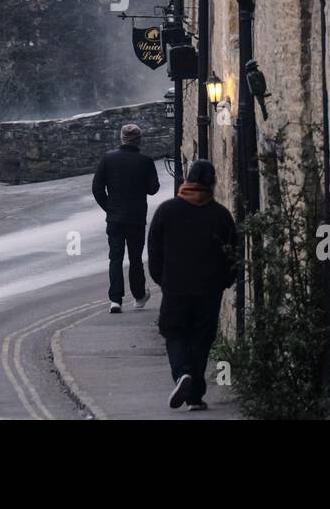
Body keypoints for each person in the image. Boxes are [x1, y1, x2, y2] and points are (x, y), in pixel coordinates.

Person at [147, 159, 236, 412]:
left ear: (187, 179)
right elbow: (232, 253)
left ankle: (182, 374)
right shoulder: (221, 215)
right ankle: (195, 396)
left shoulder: (167, 211)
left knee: (173, 332)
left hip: (175, 286)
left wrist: (161, 278)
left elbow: (154, 249)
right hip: (209, 290)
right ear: (212, 183)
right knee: (201, 338)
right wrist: (226, 281)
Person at [91, 123, 160, 313]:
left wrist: (109, 208)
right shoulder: (145, 161)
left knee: (115, 257)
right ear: (139, 140)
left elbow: (97, 187)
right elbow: (153, 189)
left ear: (121, 138)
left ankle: (115, 300)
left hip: (115, 217)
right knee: (135, 258)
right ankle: (138, 296)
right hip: (136, 217)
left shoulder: (108, 159)